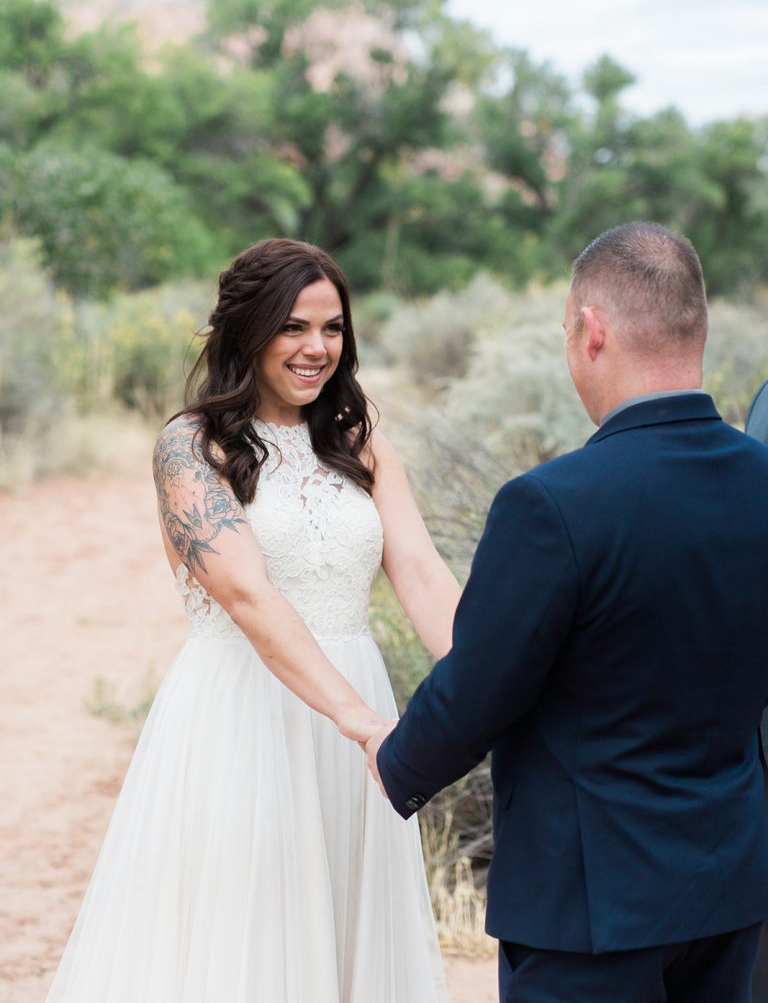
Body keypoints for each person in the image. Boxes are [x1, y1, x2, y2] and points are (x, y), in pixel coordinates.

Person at [45, 238, 460, 1003]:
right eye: (293, 327)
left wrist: (490, 679)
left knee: (343, 939)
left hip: (357, 718)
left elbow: (422, 572)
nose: (317, 348)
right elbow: (248, 597)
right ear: (246, 331)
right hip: (246, 715)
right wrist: (363, 723)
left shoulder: (360, 442)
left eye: (332, 328)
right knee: (248, 948)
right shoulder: (191, 447)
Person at [367, 221, 768, 1003]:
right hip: (731, 887)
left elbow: (479, 688)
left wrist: (394, 762)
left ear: (592, 332)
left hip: (589, 908)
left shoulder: (551, 506)